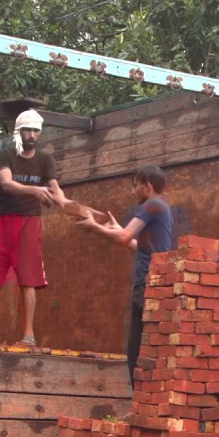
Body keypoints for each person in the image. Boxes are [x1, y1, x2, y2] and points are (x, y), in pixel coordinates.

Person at [0, 109, 68, 346]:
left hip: (29, 222)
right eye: (28, 130)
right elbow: (6, 183)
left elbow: (56, 189)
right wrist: (36, 190)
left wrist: (66, 203)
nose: (32, 135)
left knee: (29, 279)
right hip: (3, 221)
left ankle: (29, 336)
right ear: (18, 131)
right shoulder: (4, 155)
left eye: (36, 130)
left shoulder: (44, 160)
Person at [77, 165, 174, 385]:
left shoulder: (152, 205)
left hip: (147, 286)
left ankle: (141, 401)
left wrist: (95, 227)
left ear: (147, 186)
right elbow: (135, 244)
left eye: (135, 186)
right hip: (153, 286)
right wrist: (116, 228)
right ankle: (143, 403)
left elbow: (123, 238)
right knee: (143, 348)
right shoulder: (161, 208)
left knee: (137, 352)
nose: (132, 191)